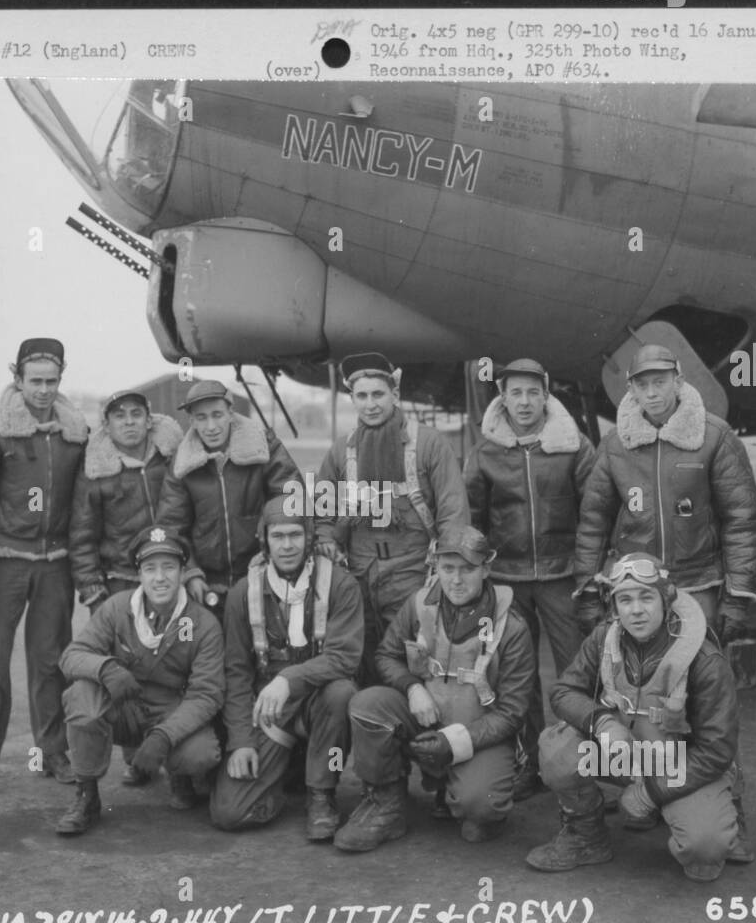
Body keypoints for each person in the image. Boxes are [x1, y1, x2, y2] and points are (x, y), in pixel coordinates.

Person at [526, 552, 753, 882]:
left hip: (680, 764)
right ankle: (585, 837)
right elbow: (564, 692)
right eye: (625, 599)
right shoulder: (605, 638)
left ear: (667, 598)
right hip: (626, 754)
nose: (635, 610)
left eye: (646, 597)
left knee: (704, 851)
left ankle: (724, 810)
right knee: (557, 750)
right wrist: (602, 723)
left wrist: (651, 793)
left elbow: (716, 750)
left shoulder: (705, 660)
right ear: (614, 605)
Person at [333, 528, 535, 852]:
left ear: (486, 569)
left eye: (467, 569)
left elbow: (512, 714)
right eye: (447, 568)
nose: (456, 580)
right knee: (367, 705)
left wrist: (451, 742)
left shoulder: (511, 627)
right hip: (426, 718)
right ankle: (386, 805)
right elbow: (387, 655)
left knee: (479, 809)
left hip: (480, 731)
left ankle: (461, 791)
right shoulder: (419, 605)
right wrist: (412, 688)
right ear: (435, 567)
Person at [0, 337, 87, 803]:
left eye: (52, 381)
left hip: (54, 567)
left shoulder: (75, 431)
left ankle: (54, 751)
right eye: (35, 381)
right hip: (4, 563)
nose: (43, 391)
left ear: (61, 378)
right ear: (17, 379)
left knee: (51, 664)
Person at [464, 358, 596, 801]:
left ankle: (583, 766)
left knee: (576, 672)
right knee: (517, 677)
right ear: (502, 396)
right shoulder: (485, 452)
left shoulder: (573, 446)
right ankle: (532, 763)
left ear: (546, 396)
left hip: (563, 576)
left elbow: (594, 511)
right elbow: (474, 519)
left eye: (532, 393)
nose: (523, 402)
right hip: (507, 578)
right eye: (515, 393)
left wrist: (589, 568)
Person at [573, 343, 756, 639]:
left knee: (703, 677)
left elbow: (742, 520)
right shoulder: (614, 445)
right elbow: (593, 522)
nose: (651, 393)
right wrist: (587, 590)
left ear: (678, 381)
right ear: (631, 389)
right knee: (639, 679)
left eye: (660, 382)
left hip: (698, 584)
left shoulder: (715, 437)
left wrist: (737, 597)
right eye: (642, 384)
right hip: (636, 587)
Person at [54, 526, 225, 835]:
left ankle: (179, 774)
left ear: (183, 571)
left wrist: (164, 737)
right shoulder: (117, 608)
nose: (160, 578)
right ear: (139, 575)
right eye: (150, 569)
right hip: (124, 705)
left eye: (169, 567)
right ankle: (86, 793)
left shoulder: (203, 623)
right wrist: (107, 669)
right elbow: (72, 655)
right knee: (82, 695)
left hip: (168, 711)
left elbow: (206, 694)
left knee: (201, 753)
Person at [210, 497, 363, 840]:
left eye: (295, 534)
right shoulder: (243, 593)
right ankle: (288, 770)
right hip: (270, 709)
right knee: (230, 813)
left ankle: (323, 792)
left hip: (318, 701)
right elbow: (236, 672)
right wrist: (240, 742)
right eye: (278, 536)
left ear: (309, 537)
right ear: (264, 539)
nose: (288, 545)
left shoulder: (340, 585)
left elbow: (345, 658)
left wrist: (287, 678)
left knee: (342, 694)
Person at [313, 352, 470, 683]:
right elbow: (322, 513)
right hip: (359, 574)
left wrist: (444, 575)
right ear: (353, 399)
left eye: (378, 394)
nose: (370, 404)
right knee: (363, 665)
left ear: (395, 394)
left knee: (416, 662)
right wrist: (327, 541)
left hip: (414, 572)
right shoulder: (342, 451)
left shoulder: (429, 445)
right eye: (362, 396)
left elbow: (454, 515)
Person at [69, 388, 186, 786]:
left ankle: (176, 759)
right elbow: (82, 536)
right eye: (120, 416)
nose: (130, 422)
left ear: (149, 420)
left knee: (173, 663)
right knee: (126, 667)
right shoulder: (96, 471)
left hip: (168, 575)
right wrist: (92, 589)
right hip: (120, 581)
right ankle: (135, 755)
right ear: (108, 425)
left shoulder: (171, 459)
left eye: (137, 414)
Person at [155, 379, 301, 618]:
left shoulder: (265, 448)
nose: (211, 426)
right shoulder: (181, 465)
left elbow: (291, 502)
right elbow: (171, 527)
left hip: (264, 574)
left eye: (217, 415)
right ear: (191, 420)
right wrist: (190, 573)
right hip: (208, 585)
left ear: (230, 413)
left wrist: (270, 557)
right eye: (201, 418)